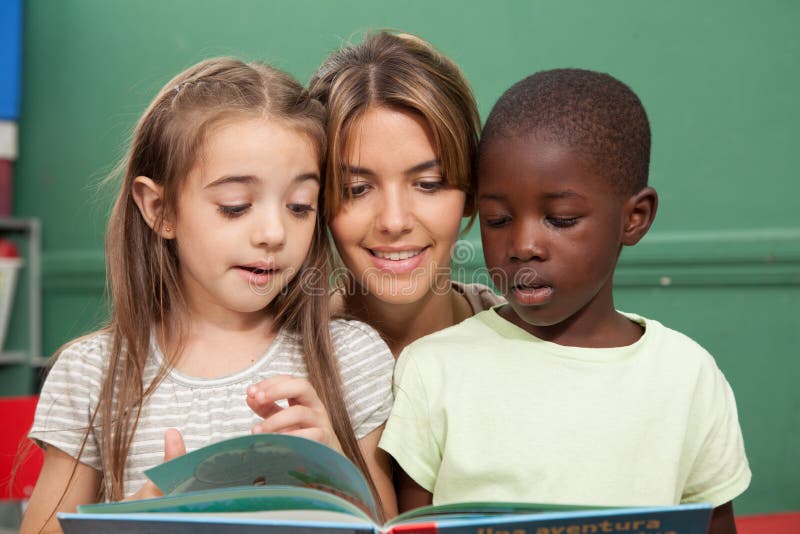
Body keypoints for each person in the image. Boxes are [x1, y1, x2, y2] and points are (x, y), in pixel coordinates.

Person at [21, 57, 396, 533]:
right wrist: (129, 522)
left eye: (300, 206)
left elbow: (390, 527)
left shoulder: (352, 358)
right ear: (159, 209)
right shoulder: (91, 375)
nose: (273, 232)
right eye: (235, 207)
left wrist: (336, 477)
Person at [379, 69, 750, 533]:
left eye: (560, 218)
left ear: (634, 218)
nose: (523, 245)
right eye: (497, 220)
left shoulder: (688, 376)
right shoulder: (432, 370)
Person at [308, 31, 503, 356]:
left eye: (428, 183)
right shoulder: (274, 363)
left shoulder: (529, 350)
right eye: (356, 189)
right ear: (317, 202)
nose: (394, 221)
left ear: (471, 189)